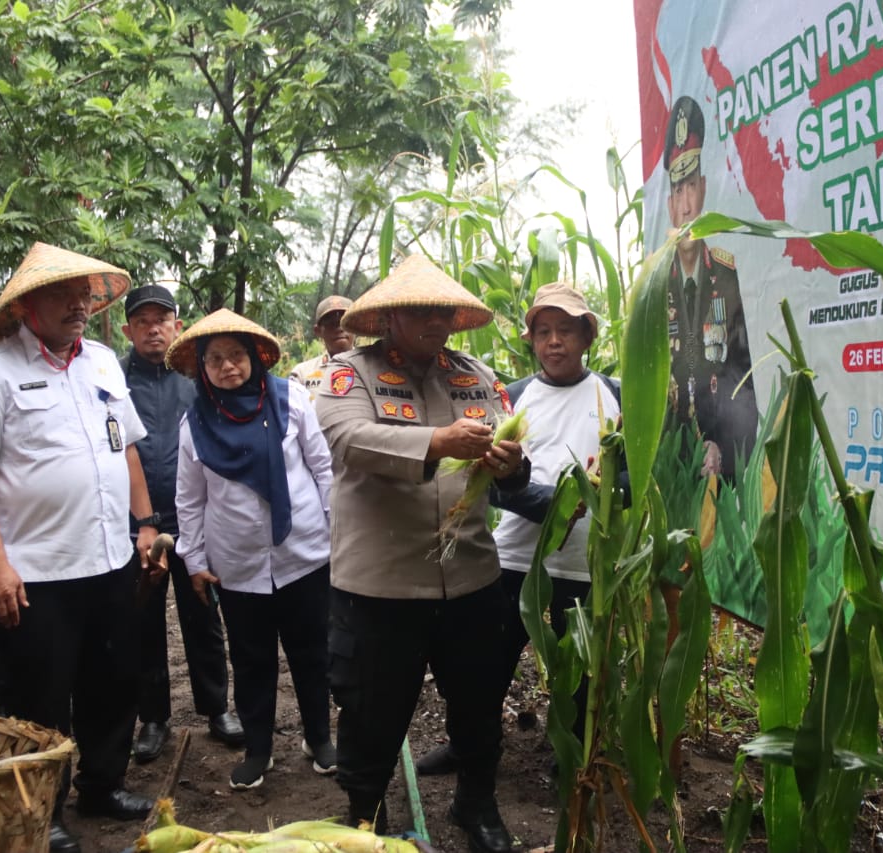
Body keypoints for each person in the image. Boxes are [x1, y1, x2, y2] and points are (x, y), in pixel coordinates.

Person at [0, 243, 159, 853]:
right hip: (35, 571)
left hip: (109, 558)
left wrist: (146, 523)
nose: (80, 306)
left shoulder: (101, 362)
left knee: (112, 681)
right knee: (37, 697)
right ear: (25, 305)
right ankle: (45, 807)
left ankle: (102, 785)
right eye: (65, 295)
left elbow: (128, 448)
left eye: (86, 295)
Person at [317, 254, 528, 853]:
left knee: (480, 701)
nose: (435, 319)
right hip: (381, 587)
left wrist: (513, 466)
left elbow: (512, 444)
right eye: (420, 310)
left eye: (442, 309)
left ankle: (476, 803)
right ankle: (366, 815)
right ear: (388, 318)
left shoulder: (478, 376)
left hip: (470, 579)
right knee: (370, 711)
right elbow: (348, 439)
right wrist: (437, 441)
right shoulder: (349, 375)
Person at [414, 282, 623, 777]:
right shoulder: (511, 398)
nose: (554, 341)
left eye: (566, 331)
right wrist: (561, 505)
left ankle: (569, 755)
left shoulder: (613, 397)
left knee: (578, 669)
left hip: (583, 563)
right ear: (530, 339)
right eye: (544, 331)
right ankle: (469, 749)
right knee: (486, 664)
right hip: (512, 559)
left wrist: (589, 503)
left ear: (587, 336)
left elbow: (630, 480)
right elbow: (494, 483)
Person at [169, 309, 337, 790]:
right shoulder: (195, 423)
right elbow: (189, 497)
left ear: (254, 358)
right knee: (252, 659)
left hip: (304, 553)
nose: (228, 367)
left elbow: (322, 469)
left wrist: (335, 533)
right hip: (237, 565)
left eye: (237, 355)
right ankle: (259, 750)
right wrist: (195, 562)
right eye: (216, 359)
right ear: (203, 367)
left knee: (311, 652)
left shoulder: (292, 399)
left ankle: (319, 738)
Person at [120, 284, 243, 763]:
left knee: (203, 613)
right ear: (129, 329)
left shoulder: (195, 377)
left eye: (162, 319)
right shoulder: (114, 376)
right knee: (144, 620)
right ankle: (154, 718)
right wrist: (137, 520)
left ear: (177, 324)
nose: (153, 328)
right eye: (143, 321)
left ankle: (216, 708)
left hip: (194, 517)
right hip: (137, 524)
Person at [664, 94, 759, 482]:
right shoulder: (655, 288)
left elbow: (742, 377)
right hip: (672, 462)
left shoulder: (726, 276)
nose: (684, 206)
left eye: (689, 188)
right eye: (676, 192)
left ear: (703, 190)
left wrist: (723, 444)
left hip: (722, 463)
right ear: (669, 204)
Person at [290, 294, 353, 399]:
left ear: (355, 325)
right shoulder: (302, 373)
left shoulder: (370, 367)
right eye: (332, 324)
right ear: (318, 331)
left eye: (345, 323)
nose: (340, 329)